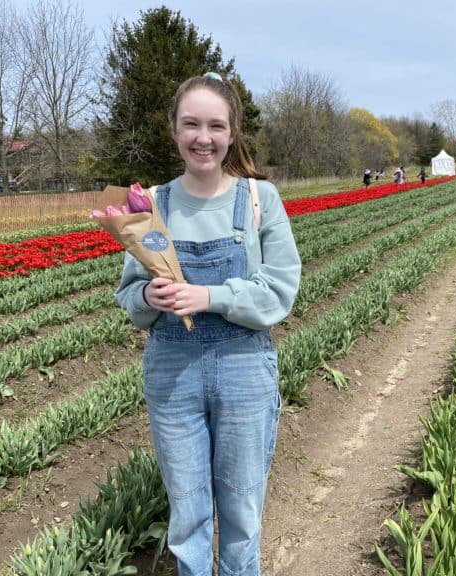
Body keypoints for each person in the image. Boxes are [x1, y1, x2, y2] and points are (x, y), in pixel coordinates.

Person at [115, 72, 302, 576]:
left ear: (232, 131)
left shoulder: (260, 198)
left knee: (242, 511)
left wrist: (208, 295)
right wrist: (149, 295)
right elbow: (129, 296)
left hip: (244, 367)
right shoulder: (153, 203)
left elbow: (280, 290)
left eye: (216, 125)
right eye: (192, 124)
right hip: (173, 371)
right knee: (188, 511)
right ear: (174, 130)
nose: (204, 137)